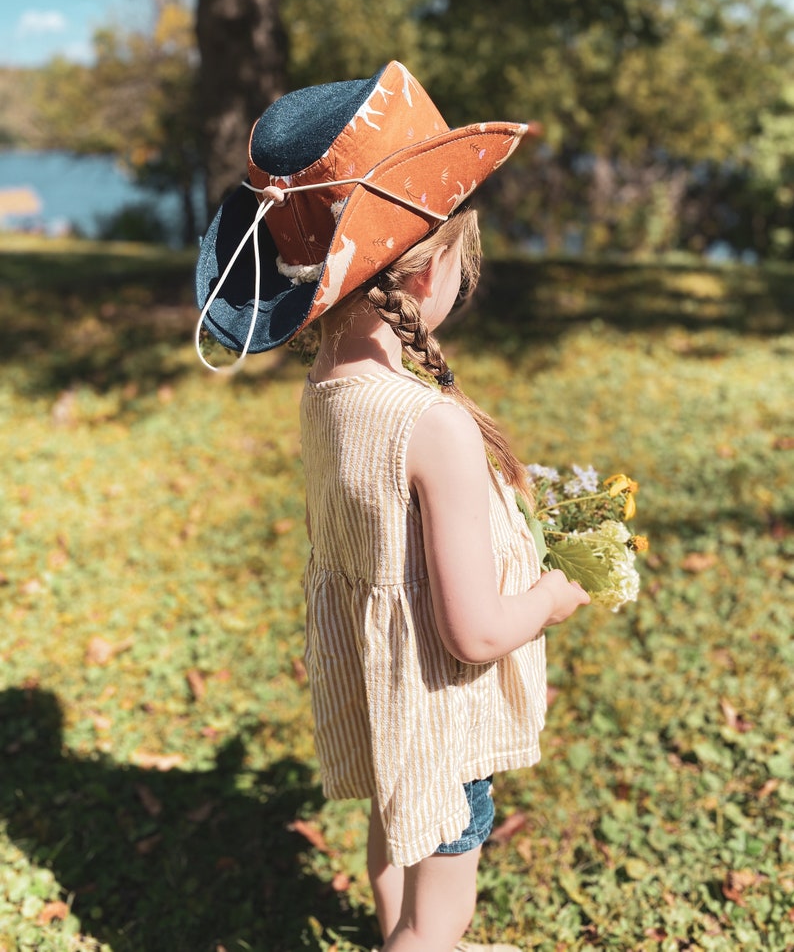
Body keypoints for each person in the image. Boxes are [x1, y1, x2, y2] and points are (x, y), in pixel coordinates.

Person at [195, 61, 590, 952]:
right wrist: (561, 591)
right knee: (438, 916)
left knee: (392, 848)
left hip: (384, 704)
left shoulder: (327, 393)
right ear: (425, 275)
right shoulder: (429, 423)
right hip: (438, 720)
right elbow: (477, 633)